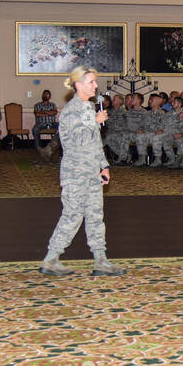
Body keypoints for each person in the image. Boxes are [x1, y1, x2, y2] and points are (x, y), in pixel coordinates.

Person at [40, 66, 123, 277]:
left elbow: (95, 143)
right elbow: (76, 141)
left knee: (96, 216)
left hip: (92, 172)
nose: (96, 85)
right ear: (78, 85)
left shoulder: (88, 107)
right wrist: (94, 122)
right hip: (76, 173)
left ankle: (101, 260)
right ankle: (51, 259)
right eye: (91, 82)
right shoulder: (71, 110)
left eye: (95, 82)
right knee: (72, 215)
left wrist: (104, 166)